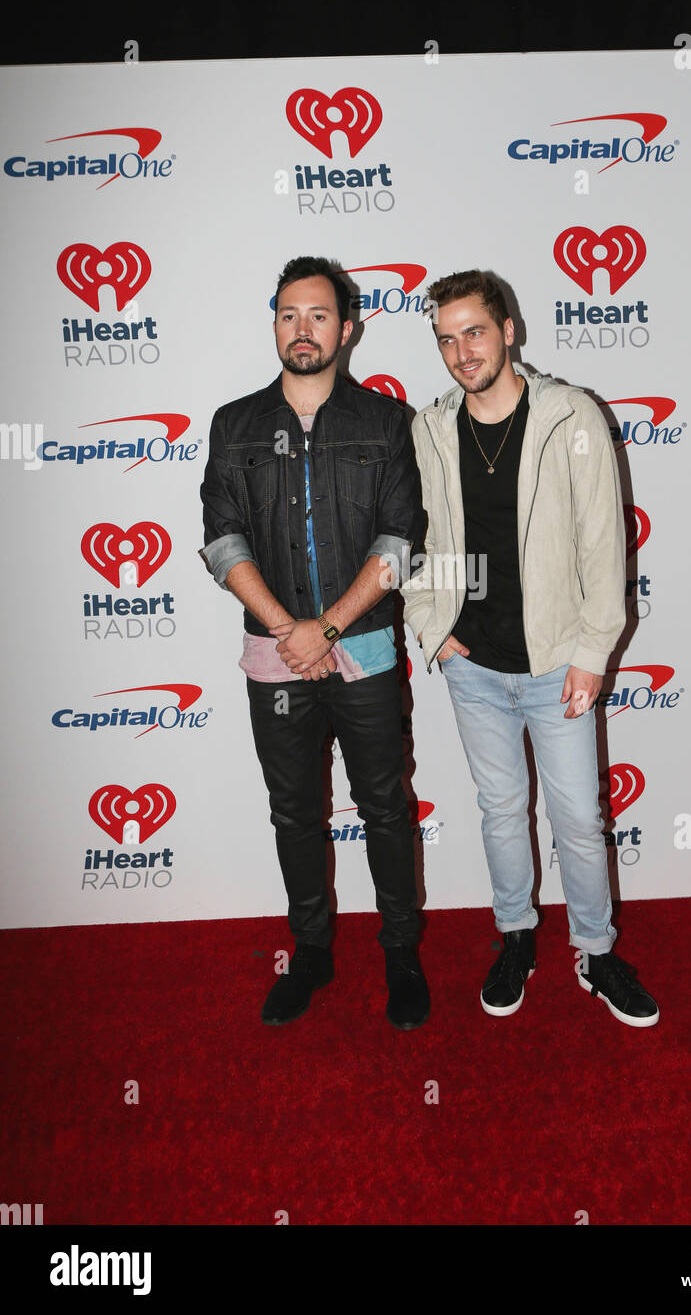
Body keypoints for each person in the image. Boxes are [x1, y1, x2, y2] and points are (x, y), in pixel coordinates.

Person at [402, 270, 658, 1026]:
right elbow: (418, 543)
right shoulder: (430, 429)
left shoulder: (570, 415)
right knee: (501, 810)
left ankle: (596, 950)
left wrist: (592, 652)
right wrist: (434, 630)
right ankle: (516, 936)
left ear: (508, 329)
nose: (461, 351)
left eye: (473, 331)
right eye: (446, 338)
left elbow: (603, 546)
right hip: (473, 666)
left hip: (556, 665)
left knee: (579, 818)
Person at [199, 255, 430, 1030]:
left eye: (320, 315)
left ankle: (401, 951)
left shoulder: (386, 423)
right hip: (275, 658)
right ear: (274, 324)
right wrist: (287, 632)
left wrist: (323, 629)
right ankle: (312, 953)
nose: (304, 329)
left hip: (362, 649)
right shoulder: (234, 425)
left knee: (385, 808)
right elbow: (223, 541)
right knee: (295, 813)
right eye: (290, 314)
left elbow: (400, 542)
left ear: (349, 328)